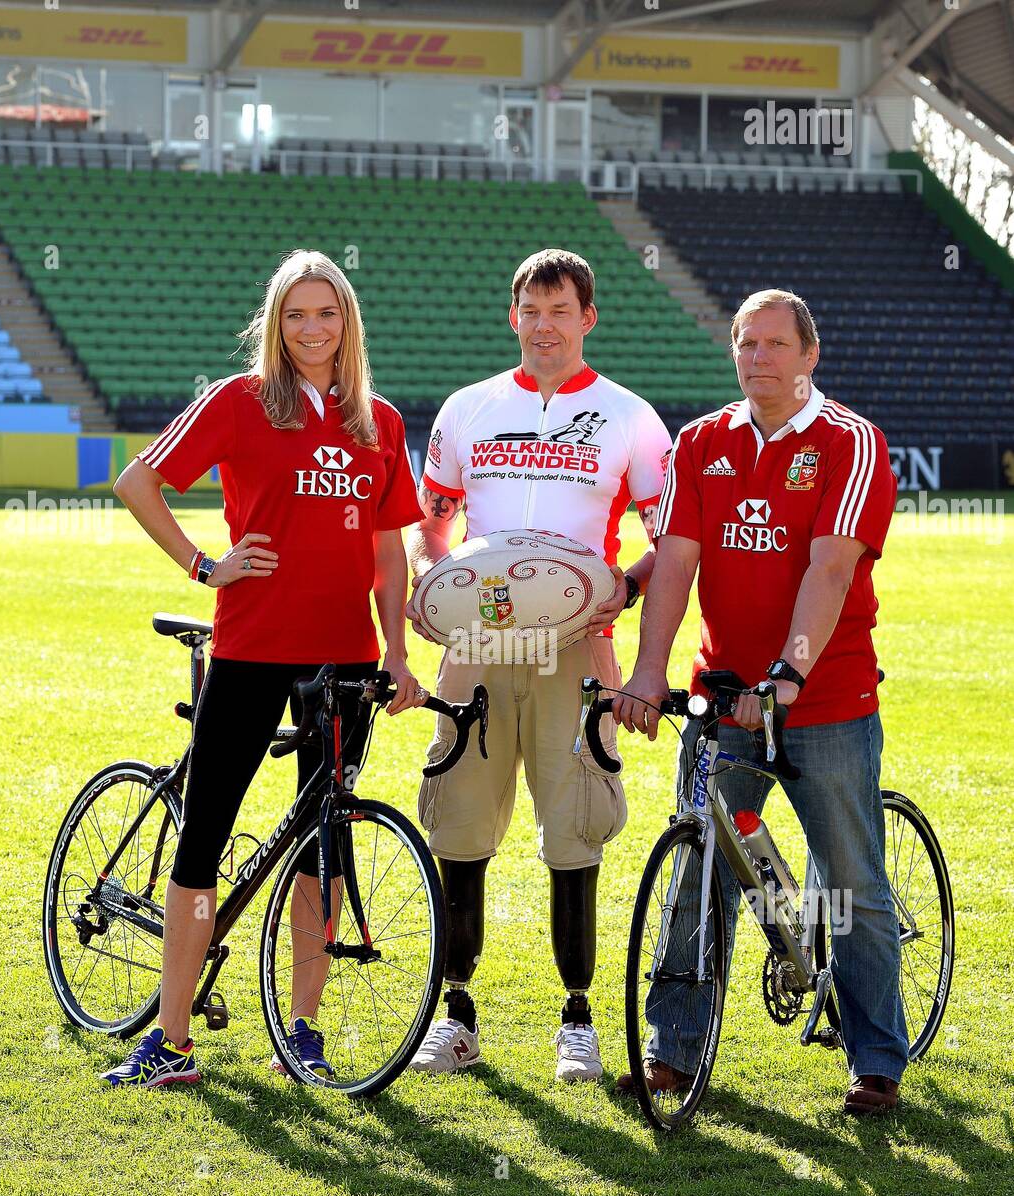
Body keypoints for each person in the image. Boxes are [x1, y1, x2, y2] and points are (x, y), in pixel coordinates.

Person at [102, 249, 425, 1087]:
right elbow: (138, 481)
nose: (312, 329)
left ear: (347, 322)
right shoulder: (239, 402)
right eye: (295, 314)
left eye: (326, 314)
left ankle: (304, 1030)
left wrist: (395, 647)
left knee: (326, 844)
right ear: (275, 325)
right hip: (249, 649)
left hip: (344, 661)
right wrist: (205, 565)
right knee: (203, 837)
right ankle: (169, 1042)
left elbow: (389, 548)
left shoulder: (377, 420)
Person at [613, 287, 906, 1117]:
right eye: (745, 343)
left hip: (824, 698)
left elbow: (830, 569)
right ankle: (673, 1053)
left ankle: (875, 1059)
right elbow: (672, 562)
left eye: (775, 344)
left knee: (847, 883)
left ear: (808, 355)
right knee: (694, 870)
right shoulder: (701, 443)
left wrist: (789, 673)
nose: (757, 358)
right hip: (722, 700)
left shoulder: (848, 442)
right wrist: (646, 672)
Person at [405, 248, 671, 1082]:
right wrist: (426, 583)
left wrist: (621, 590)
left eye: (561, 310)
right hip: (479, 644)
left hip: (574, 647)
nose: (545, 325)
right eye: (532, 309)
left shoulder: (630, 418)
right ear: (511, 315)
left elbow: (672, 546)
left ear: (588, 319)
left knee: (576, 828)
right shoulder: (468, 409)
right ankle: (454, 1018)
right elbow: (430, 524)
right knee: (458, 822)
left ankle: (577, 1020)